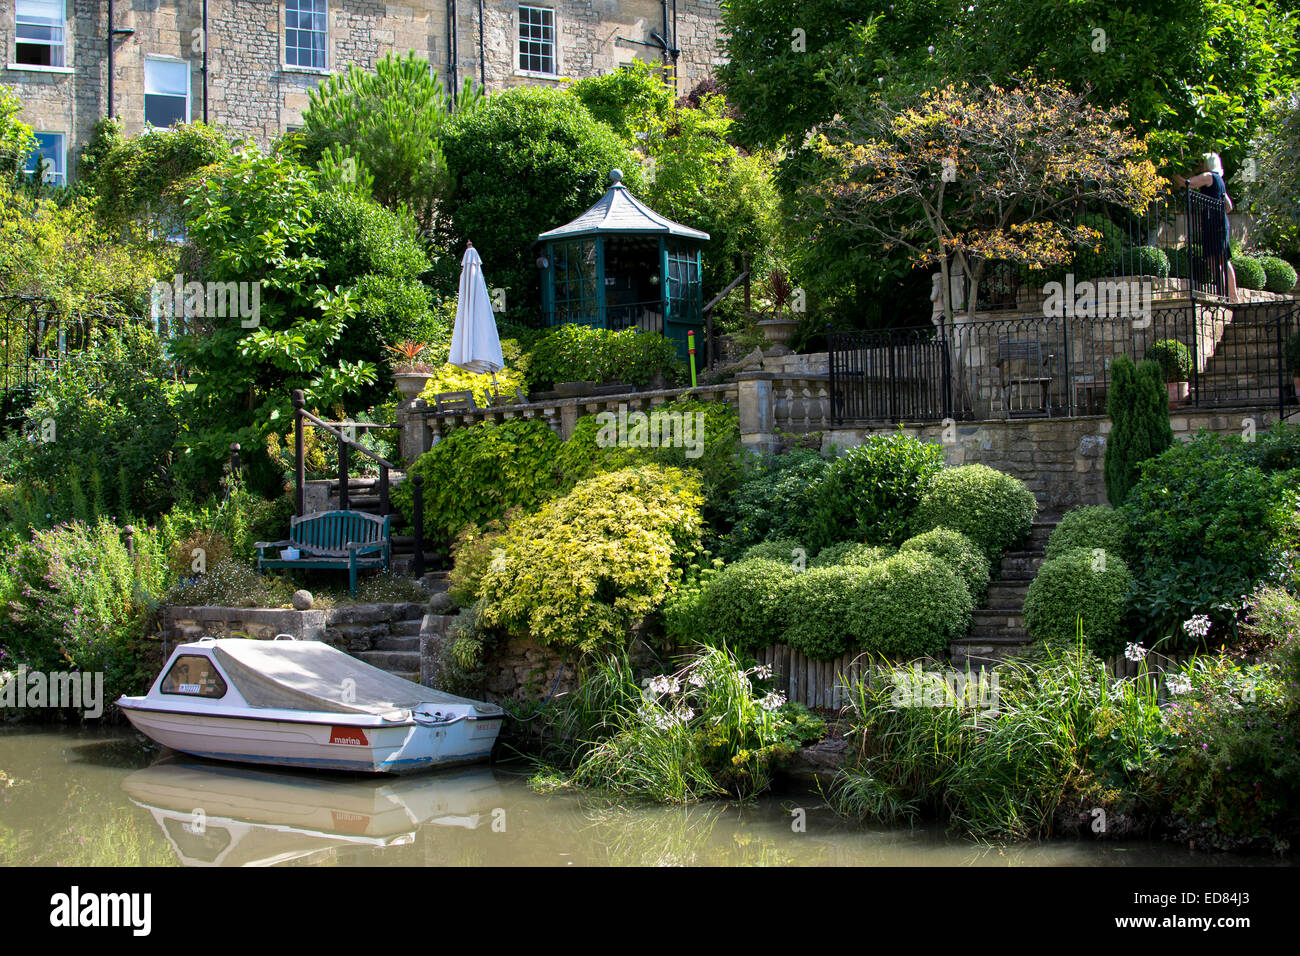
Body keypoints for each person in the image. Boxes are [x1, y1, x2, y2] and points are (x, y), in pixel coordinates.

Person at [1172, 152, 1239, 303]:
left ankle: (1227, 296)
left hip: (1213, 224)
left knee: (1217, 261)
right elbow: (1228, 206)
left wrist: (1172, 171)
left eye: (1201, 162)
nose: (1199, 165)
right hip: (1220, 223)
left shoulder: (1209, 176)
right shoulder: (1219, 180)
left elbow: (1187, 183)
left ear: (1207, 163)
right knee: (1221, 260)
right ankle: (1231, 295)